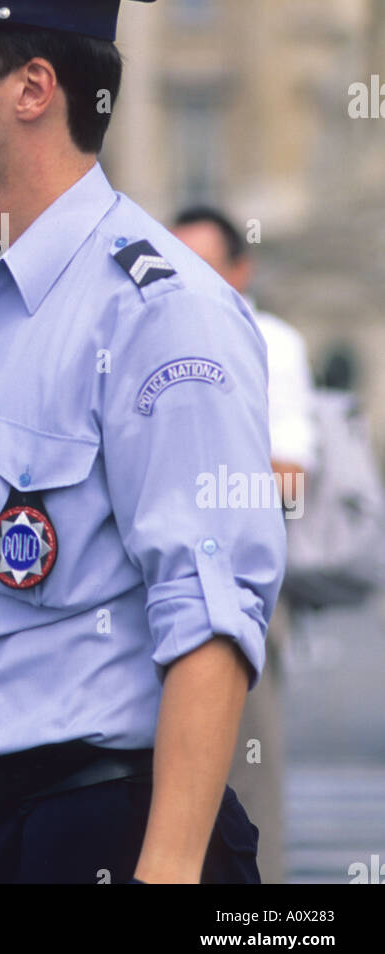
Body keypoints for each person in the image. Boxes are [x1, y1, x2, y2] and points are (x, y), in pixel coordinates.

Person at [0, 0, 286, 885]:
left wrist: (167, 875)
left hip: (92, 838)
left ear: (31, 88)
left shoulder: (159, 310)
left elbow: (209, 614)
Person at [170, 206, 318, 884]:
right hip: (163, 587)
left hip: (241, 590)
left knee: (247, 787)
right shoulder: (157, 333)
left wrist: (194, 470)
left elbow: (290, 480)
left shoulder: (268, 340)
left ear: (241, 271)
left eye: (205, 263)